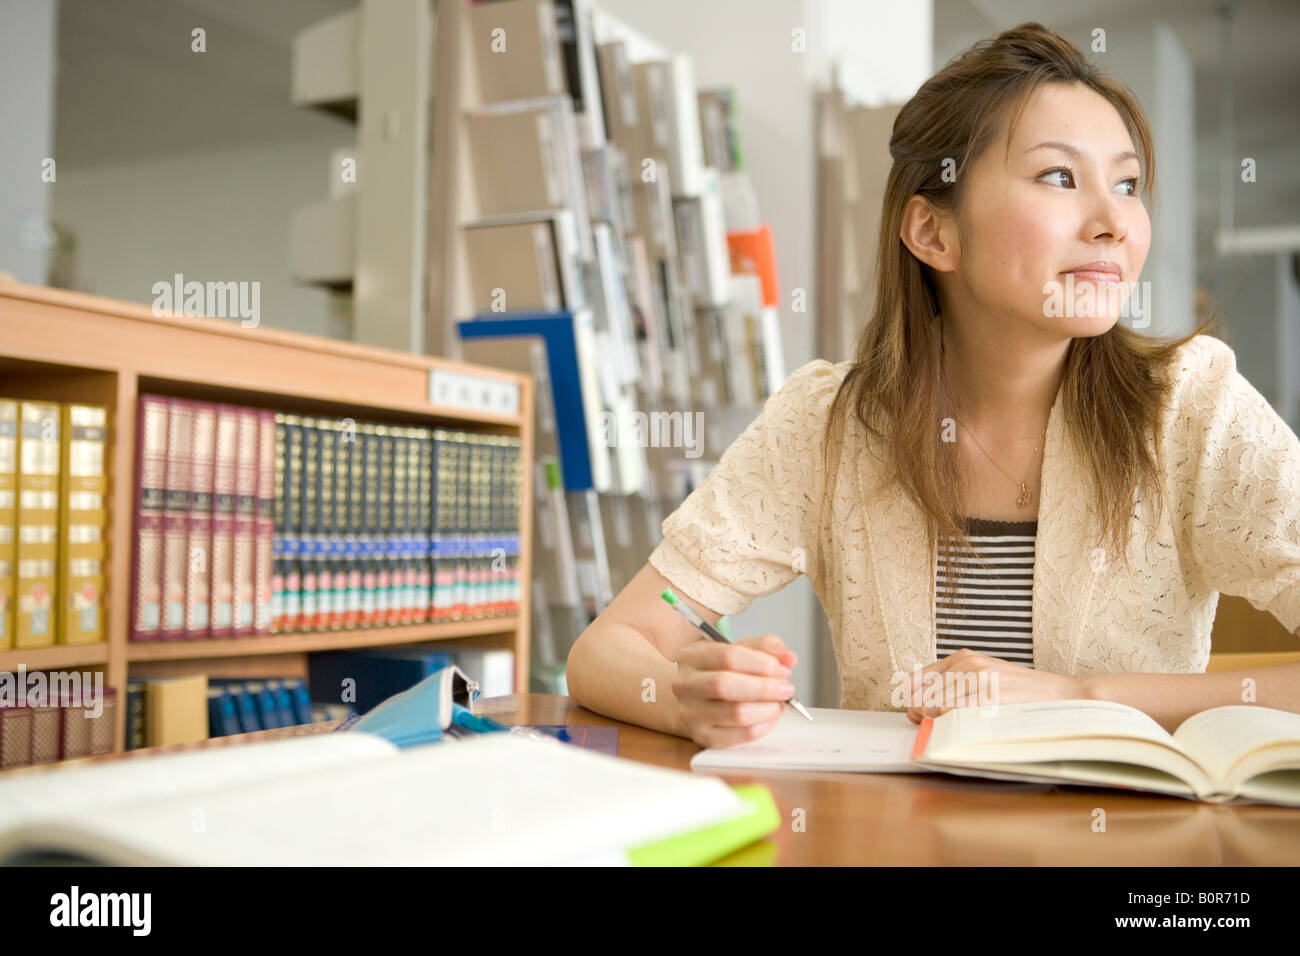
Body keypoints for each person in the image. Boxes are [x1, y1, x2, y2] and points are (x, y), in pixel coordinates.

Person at [565, 22, 1300, 749]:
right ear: (933, 232)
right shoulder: (827, 422)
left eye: (1129, 183)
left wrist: (1079, 698)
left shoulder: (1193, 407)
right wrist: (685, 699)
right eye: (1059, 176)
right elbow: (607, 649)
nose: (1115, 222)